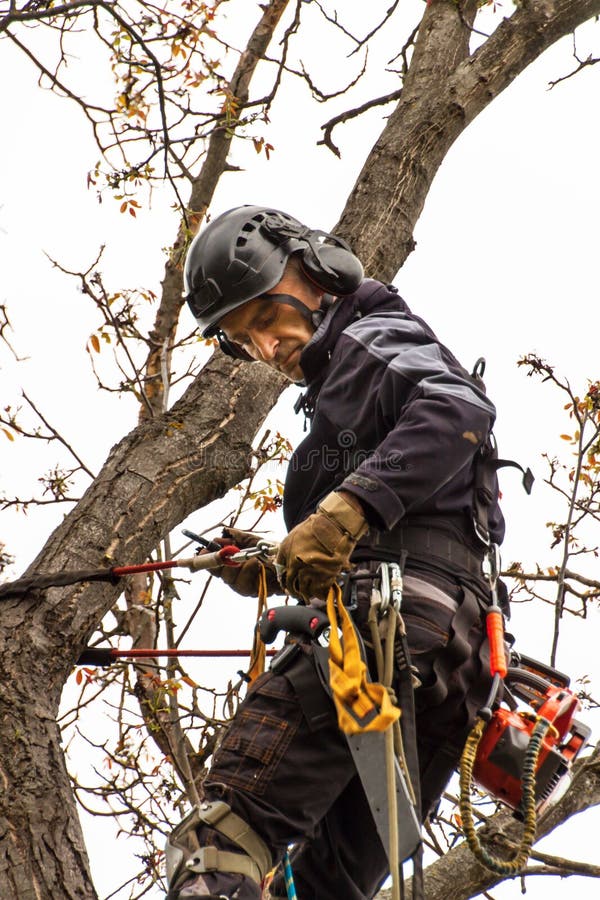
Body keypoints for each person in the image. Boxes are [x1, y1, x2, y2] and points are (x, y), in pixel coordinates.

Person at [165, 205, 506, 900]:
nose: (265, 348)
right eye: (242, 341)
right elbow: (407, 525)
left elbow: (459, 406)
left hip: (391, 626)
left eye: (264, 319)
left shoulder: (373, 339)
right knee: (319, 886)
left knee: (219, 842)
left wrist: (347, 509)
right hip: (449, 657)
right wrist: (275, 564)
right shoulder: (348, 378)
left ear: (316, 272)